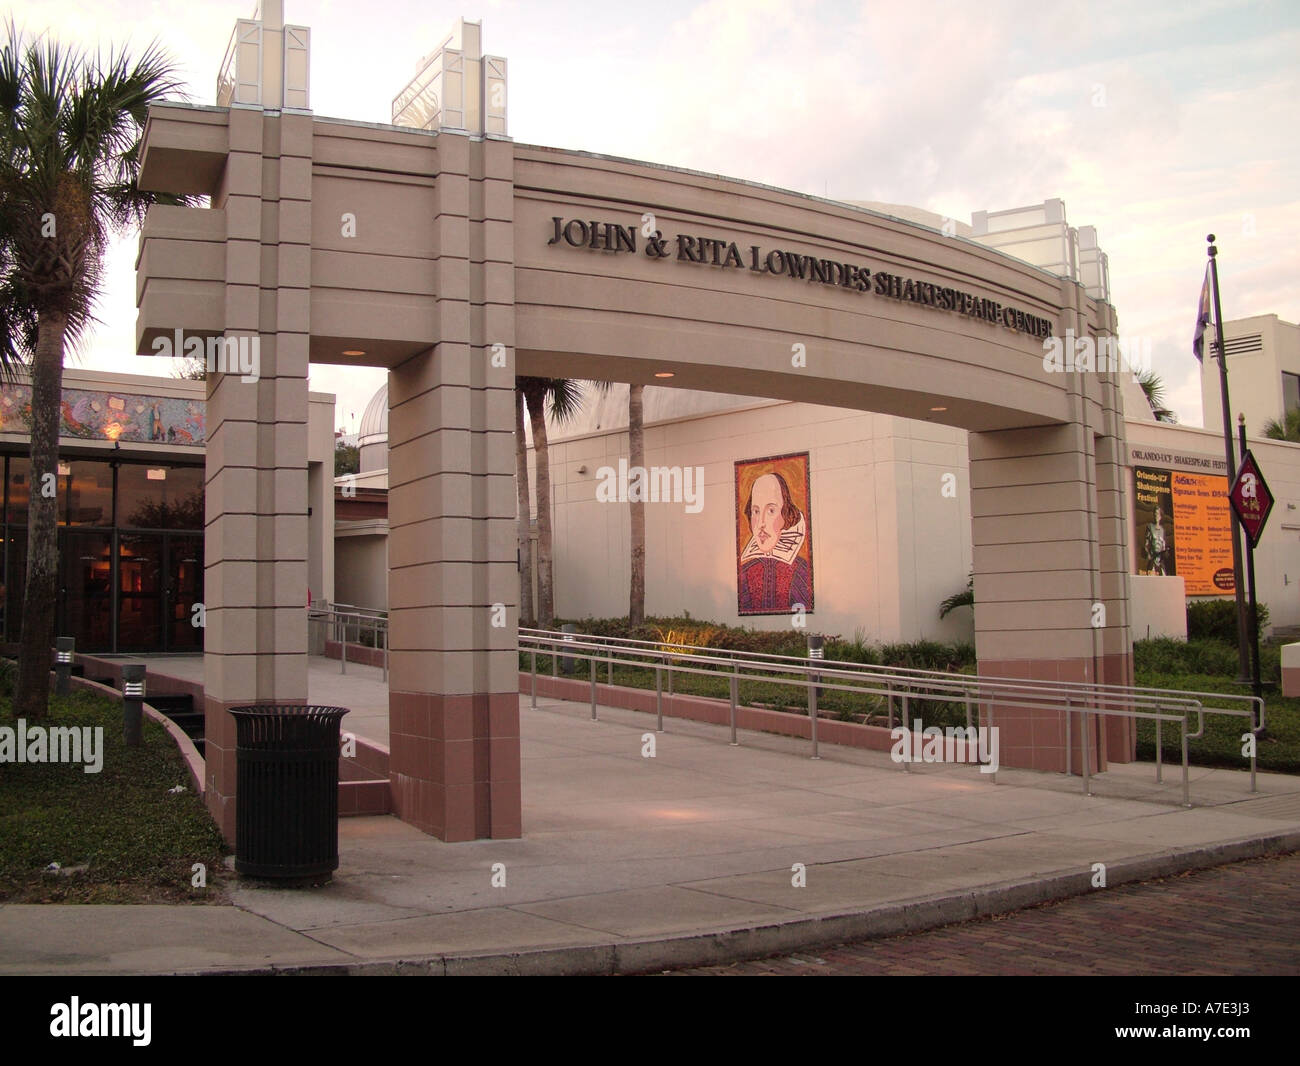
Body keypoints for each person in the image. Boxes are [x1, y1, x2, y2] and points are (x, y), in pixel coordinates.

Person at [738, 471, 812, 613]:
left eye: (771, 510)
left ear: (786, 513)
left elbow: (801, 618)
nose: (761, 523)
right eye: (756, 511)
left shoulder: (801, 571)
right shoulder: (745, 573)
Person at [1143, 504, 1169, 575]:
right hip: (1152, 560)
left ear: (1160, 516)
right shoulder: (1150, 527)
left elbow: (1164, 546)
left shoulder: (1163, 530)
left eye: (1157, 513)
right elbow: (1146, 544)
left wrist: (1165, 552)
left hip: (1160, 561)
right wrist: (1148, 554)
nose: (1155, 515)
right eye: (1154, 513)